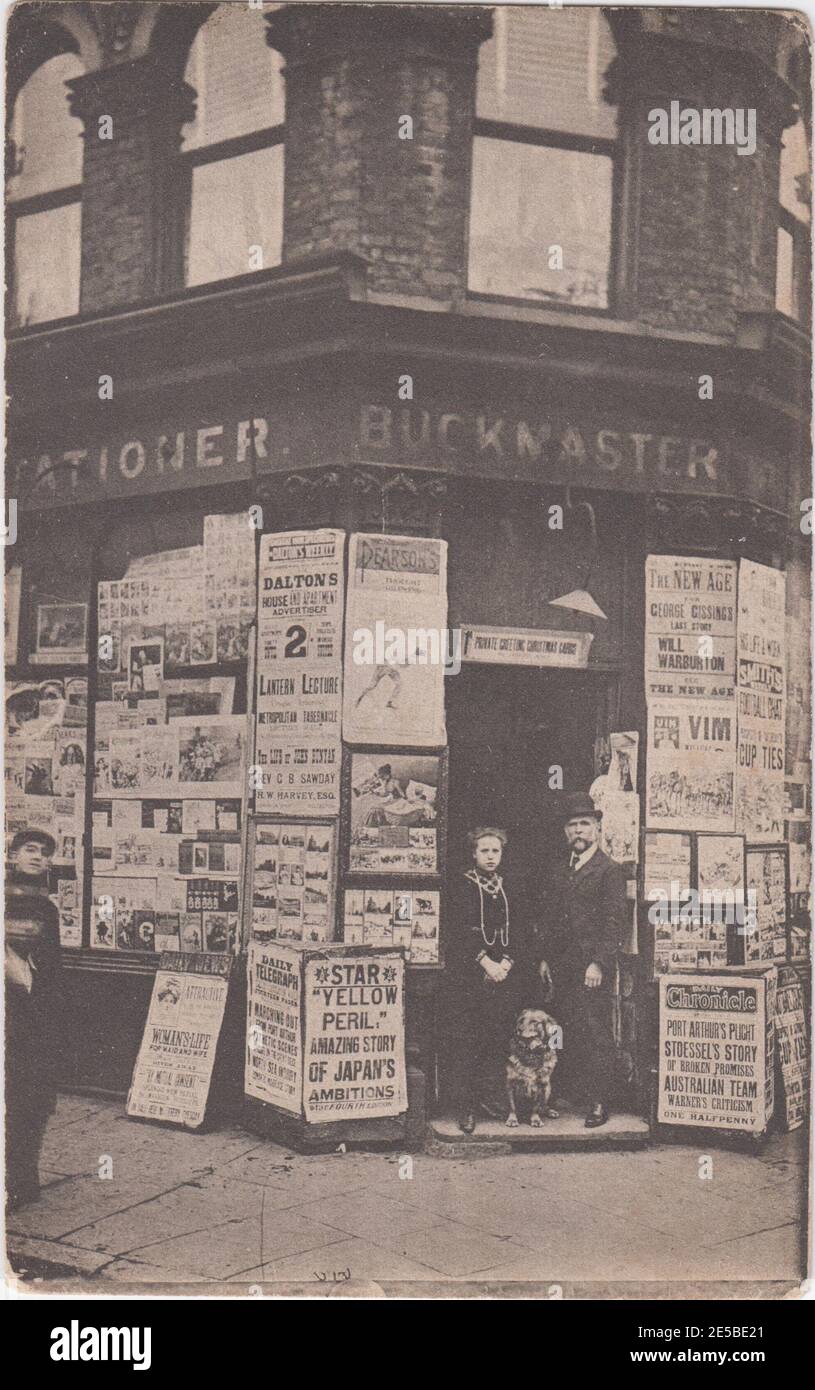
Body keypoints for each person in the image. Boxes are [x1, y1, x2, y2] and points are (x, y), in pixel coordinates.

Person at [538, 793, 627, 1129]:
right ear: (565, 831)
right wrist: (545, 958)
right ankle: (569, 1093)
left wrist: (599, 964)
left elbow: (614, 923)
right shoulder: (560, 869)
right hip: (561, 964)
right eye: (572, 825)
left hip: (591, 968)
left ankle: (599, 1101)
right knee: (563, 1028)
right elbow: (550, 917)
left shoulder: (609, 871)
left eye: (585, 824)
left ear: (597, 828)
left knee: (595, 1031)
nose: (578, 831)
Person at [446, 827, 541, 1133]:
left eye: (495, 851)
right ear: (473, 853)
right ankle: (467, 1107)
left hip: (505, 975)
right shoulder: (462, 886)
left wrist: (507, 964)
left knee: (499, 1037)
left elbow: (523, 930)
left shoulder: (509, 887)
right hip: (471, 975)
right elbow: (457, 932)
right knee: (468, 1039)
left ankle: (496, 1100)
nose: (490, 857)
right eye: (484, 851)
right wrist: (486, 962)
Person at [5, 829, 63, 1211]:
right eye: (30, 850)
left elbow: (53, 966)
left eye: (44, 853)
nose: (38, 857)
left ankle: (22, 1179)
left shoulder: (48, 910)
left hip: (31, 1014)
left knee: (30, 1100)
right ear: (12, 854)